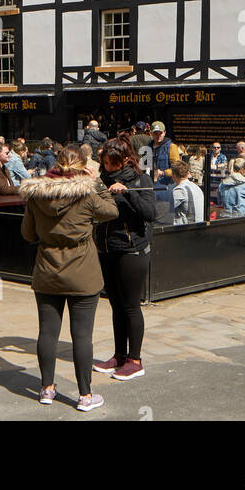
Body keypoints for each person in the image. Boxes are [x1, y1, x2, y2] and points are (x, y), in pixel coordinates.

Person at [19, 144, 119, 411]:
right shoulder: (87, 194)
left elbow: (28, 235)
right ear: (82, 166)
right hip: (82, 271)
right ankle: (85, 396)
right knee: (82, 336)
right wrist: (96, 182)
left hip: (47, 269)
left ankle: (46, 388)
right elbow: (112, 211)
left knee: (47, 332)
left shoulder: (36, 195)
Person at [93, 136, 156, 380]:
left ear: (126, 160)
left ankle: (135, 359)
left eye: (113, 164)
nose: (108, 168)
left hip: (132, 250)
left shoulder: (142, 179)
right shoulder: (100, 181)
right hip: (107, 249)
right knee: (115, 305)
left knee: (130, 306)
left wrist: (129, 193)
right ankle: (119, 355)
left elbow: (151, 214)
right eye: (105, 163)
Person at [169, 159, 205, 224]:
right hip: (199, 225)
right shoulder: (196, 187)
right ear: (188, 173)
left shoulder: (180, 190)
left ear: (173, 175)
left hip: (186, 229)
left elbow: (166, 207)